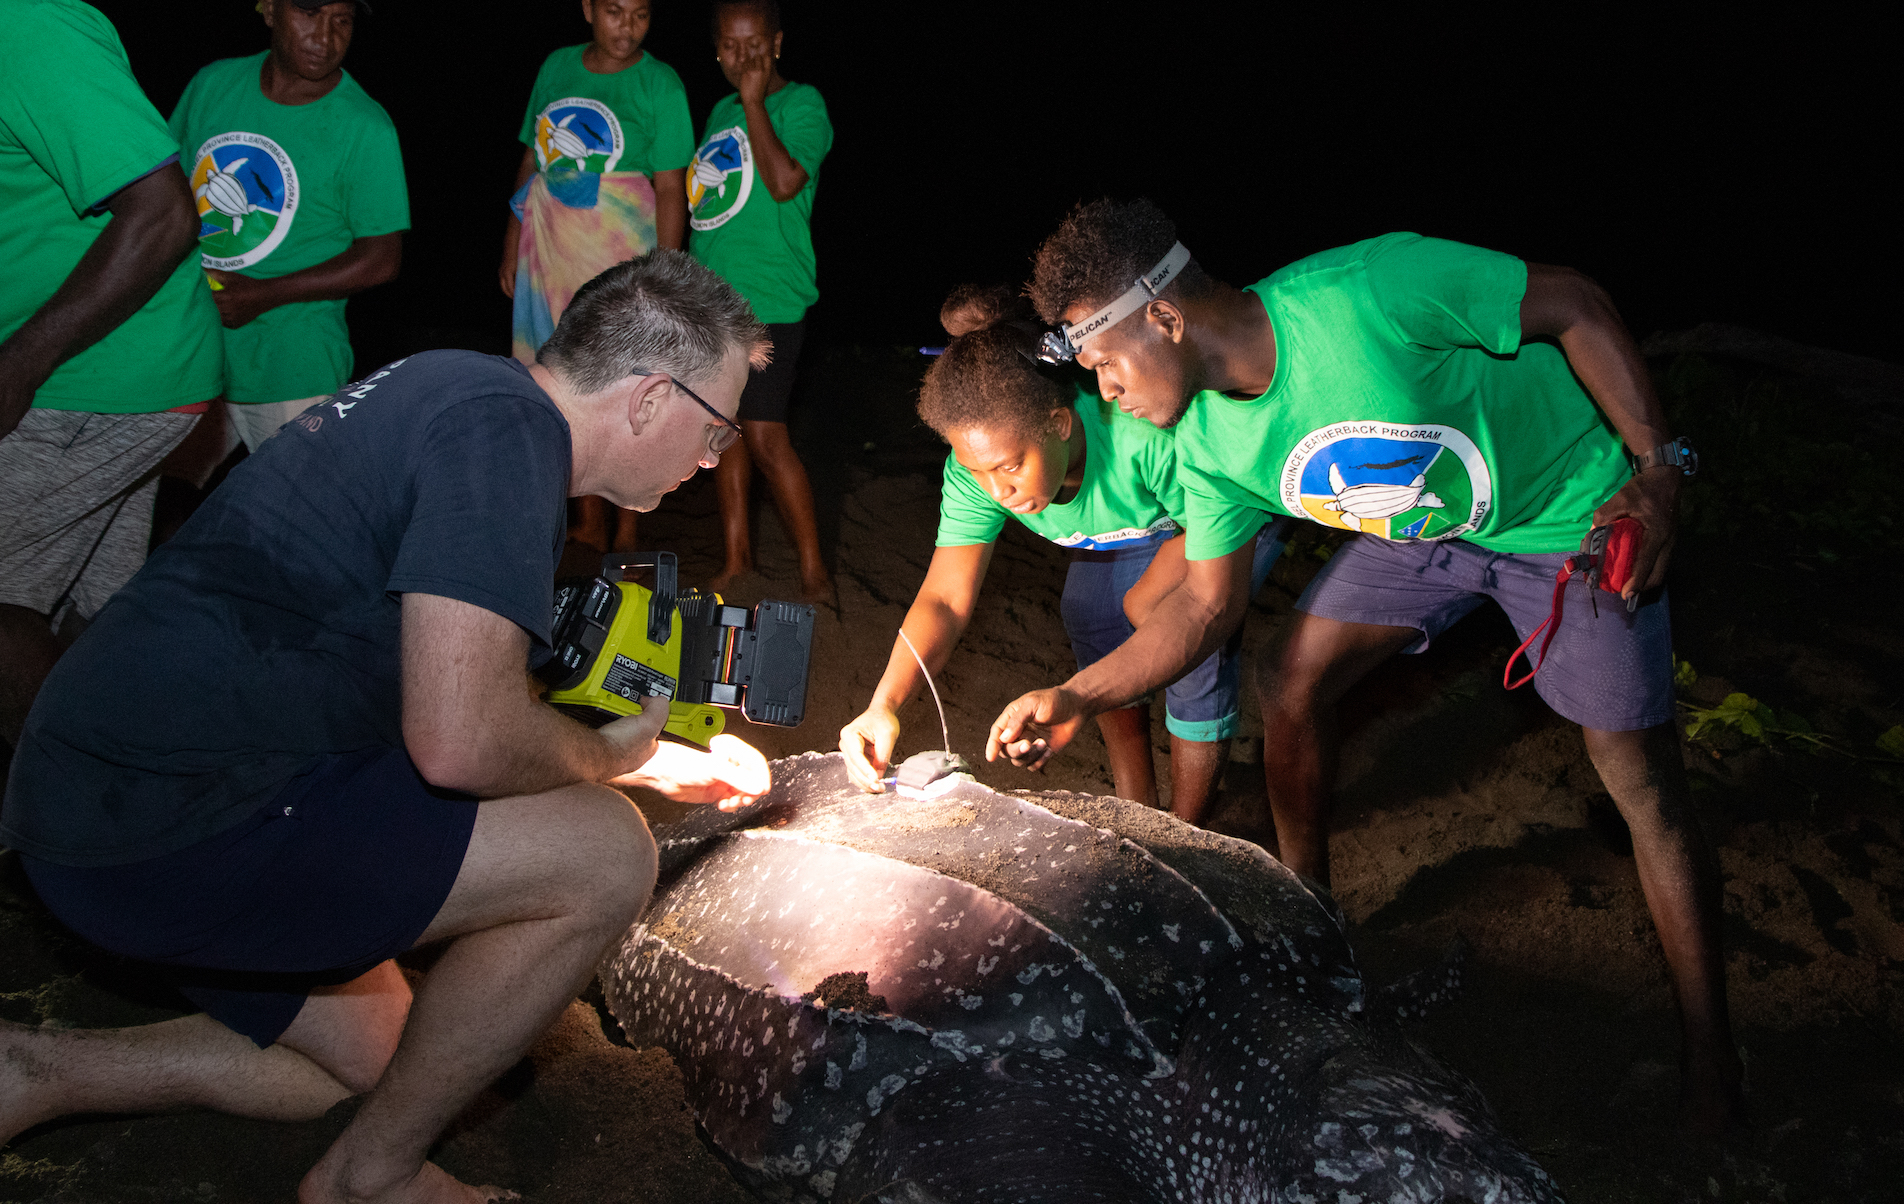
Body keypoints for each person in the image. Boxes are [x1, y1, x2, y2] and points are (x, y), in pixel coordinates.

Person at [0, 251, 774, 1202]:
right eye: (716, 428)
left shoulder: (458, 387)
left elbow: (445, 683)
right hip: (160, 818)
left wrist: (649, 762)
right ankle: (375, 1178)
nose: (709, 459)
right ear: (650, 397)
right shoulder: (509, 439)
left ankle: (19, 1069)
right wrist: (612, 761)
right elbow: (457, 743)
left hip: (106, 782)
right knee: (605, 856)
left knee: (401, 1056)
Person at [987, 198, 1741, 1134]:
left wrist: (1658, 468)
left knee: (1642, 786)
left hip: (1566, 515)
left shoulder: (1369, 294)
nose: (1103, 391)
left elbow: (1575, 303)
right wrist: (1074, 693)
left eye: (1102, 361)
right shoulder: (1203, 442)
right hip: (1425, 531)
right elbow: (1204, 604)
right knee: (1288, 677)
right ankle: (1317, 928)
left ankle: (1714, 1061)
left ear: (1166, 317)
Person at [0, 0, 223, 747]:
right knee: (85, 622)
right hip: (65, 368)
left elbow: (163, 214)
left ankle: (103, 815)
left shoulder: (14, 19)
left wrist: (14, 367)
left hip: (100, 370)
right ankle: (167, 798)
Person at [839, 285, 1282, 822]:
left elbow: (1207, 534)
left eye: (1008, 467)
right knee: (1090, 611)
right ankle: (1136, 809)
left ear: (1060, 424)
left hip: (1227, 512)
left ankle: (1188, 826)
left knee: (1170, 626)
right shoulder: (980, 474)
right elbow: (944, 599)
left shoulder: (1145, 434)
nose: (996, 491)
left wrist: (1147, 601)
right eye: (975, 469)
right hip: (1138, 525)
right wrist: (882, 704)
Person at [169, 0, 408, 453]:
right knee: (175, 505)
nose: (325, 37)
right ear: (268, 10)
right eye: (308, 13)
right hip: (190, 347)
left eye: (343, 20)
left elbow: (382, 259)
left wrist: (260, 295)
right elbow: (165, 200)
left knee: (305, 516)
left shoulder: (365, 126)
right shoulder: (212, 84)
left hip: (293, 364)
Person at [500, 0, 692, 553]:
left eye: (640, 15)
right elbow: (532, 159)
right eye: (614, 12)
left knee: (625, 380)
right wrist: (513, 239)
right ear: (586, 8)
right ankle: (587, 518)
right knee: (559, 373)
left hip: (619, 252)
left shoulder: (661, 83)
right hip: (552, 250)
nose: (627, 28)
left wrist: (665, 273)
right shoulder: (556, 67)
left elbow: (671, 186)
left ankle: (629, 525)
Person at [688, 0, 832, 603]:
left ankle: (814, 574)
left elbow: (783, 181)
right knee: (724, 437)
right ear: (717, 48)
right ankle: (738, 558)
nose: (742, 57)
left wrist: (753, 103)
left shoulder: (804, 105)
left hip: (772, 300)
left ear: (777, 43)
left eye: (755, 44)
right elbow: (707, 206)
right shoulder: (718, 110)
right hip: (712, 302)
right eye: (730, 45)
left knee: (768, 436)